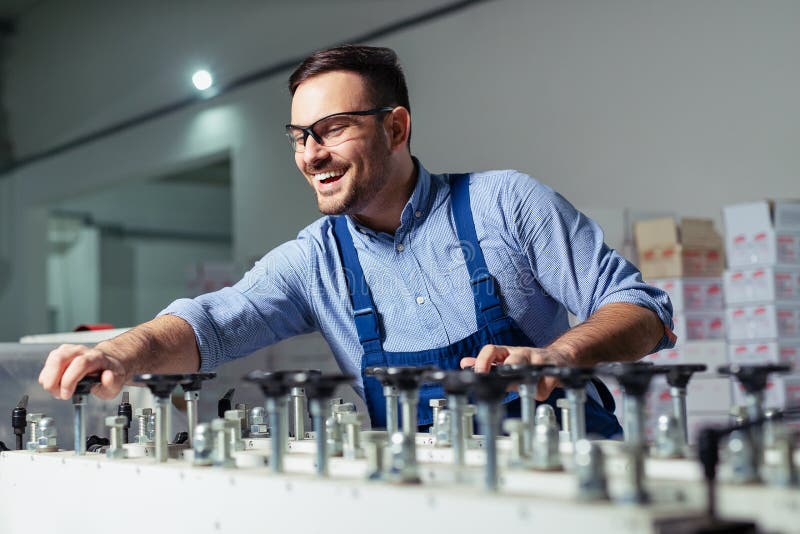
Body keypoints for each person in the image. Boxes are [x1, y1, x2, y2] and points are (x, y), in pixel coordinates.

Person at [39, 45, 674, 436]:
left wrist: (559, 355)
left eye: (332, 128)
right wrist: (123, 352)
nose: (311, 153)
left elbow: (643, 310)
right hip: (421, 500)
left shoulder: (503, 203)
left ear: (395, 128)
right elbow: (211, 324)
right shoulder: (315, 258)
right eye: (298, 135)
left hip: (567, 484)